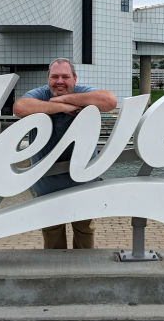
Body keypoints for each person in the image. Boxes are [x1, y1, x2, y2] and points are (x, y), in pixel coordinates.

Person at [12, 58, 117, 249]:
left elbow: (109, 101)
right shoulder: (39, 94)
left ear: (75, 79)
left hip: (83, 181)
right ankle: (55, 276)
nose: (59, 81)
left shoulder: (83, 92)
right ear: (48, 78)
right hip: (47, 183)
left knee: (84, 233)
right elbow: (20, 107)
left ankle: (84, 273)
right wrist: (63, 107)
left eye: (65, 77)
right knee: (52, 237)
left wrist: (62, 98)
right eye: (55, 77)